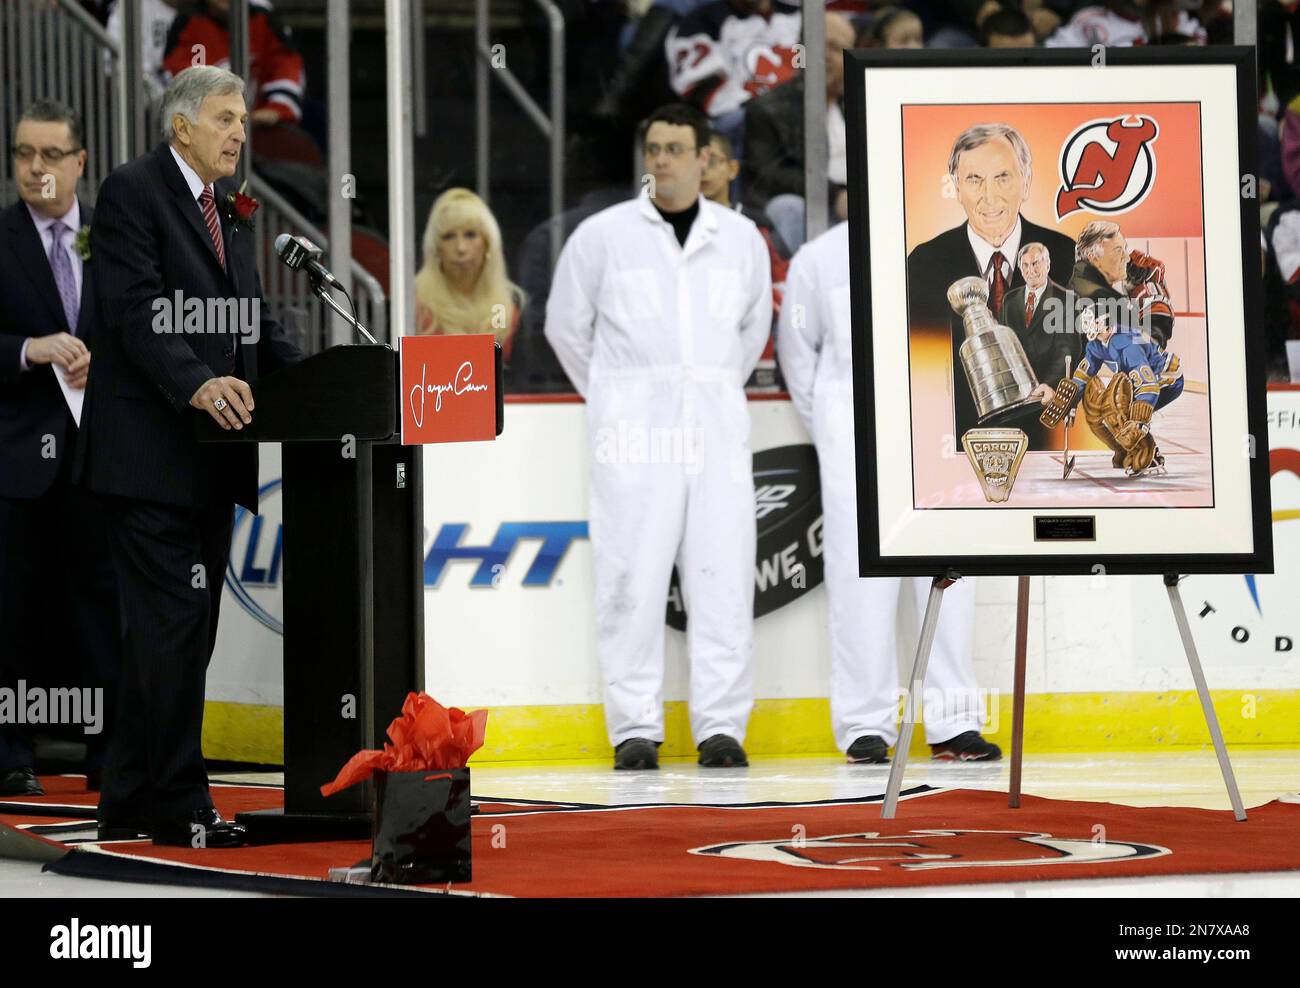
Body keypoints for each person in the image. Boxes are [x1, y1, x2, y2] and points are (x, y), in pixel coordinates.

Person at [78, 65, 304, 847]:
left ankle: (131, 797)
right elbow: (133, 312)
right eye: (226, 118)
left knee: (181, 638)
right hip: (146, 461)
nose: (241, 131)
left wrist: (321, 379)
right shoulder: (132, 192)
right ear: (182, 126)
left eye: (244, 118)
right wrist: (200, 383)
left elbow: (252, 318)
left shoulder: (229, 209)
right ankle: (180, 803)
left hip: (210, 466)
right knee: (173, 632)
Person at [545, 104, 771, 771]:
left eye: (676, 148)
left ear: (705, 158)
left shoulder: (741, 239)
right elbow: (564, 327)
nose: (663, 159)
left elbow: (750, 331)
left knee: (724, 578)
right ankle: (634, 728)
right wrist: (618, 397)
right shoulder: (602, 236)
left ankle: (722, 727)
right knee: (629, 580)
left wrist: (706, 387)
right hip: (632, 436)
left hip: (716, 429)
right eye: (654, 147)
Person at [778, 221, 1000, 764]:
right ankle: (863, 723)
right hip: (852, 427)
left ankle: (953, 721)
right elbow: (798, 354)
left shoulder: (953, 245)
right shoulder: (820, 256)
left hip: (939, 418)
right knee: (860, 580)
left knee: (950, 569)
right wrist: (835, 425)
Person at [0, 101, 121, 797]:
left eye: (50, 155)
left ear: (79, 161)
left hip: (100, 454)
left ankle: (108, 753)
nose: (36, 168)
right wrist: (27, 349)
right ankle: (12, 751)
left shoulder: (114, 239)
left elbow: (142, 326)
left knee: (103, 607)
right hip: (18, 462)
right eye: (23, 155)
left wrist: (99, 357)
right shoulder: (1, 239)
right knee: (14, 610)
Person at [905, 122, 1076, 438]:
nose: (989, 196)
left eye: (1002, 178)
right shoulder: (921, 265)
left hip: (1048, 441)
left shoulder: (1069, 257)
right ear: (957, 188)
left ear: (1025, 183)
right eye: (974, 180)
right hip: (955, 446)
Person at [741, 11, 857, 254]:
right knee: (787, 207)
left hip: (858, 208)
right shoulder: (767, 109)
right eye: (818, 45)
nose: (825, 56)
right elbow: (769, 176)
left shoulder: (860, 104)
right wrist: (835, 196)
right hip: (813, 210)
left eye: (836, 49)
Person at [414, 188, 524, 361]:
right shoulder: (414, 302)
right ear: (435, 248)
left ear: (487, 244)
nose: (461, 248)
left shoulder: (505, 306)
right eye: (448, 237)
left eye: (471, 235)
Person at [163, 0, 305, 125]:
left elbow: (286, 66)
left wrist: (277, 108)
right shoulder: (188, 22)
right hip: (205, 133)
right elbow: (178, 76)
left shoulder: (263, 17)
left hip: (260, 133)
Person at [665, 0, 802, 119]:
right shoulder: (703, 21)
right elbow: (701, 94)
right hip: (741, 117)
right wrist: (761, 104)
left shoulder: (802, 15)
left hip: (800, 109)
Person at [998, 242, 1082, 387]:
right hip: (1015, 388)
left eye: (1035, 263)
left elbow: (1068, 350)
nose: (1030, 270)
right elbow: (1003, 346)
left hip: (1047, 389)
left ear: (1047, 265)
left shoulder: (1067, 300)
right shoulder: (1009, 301)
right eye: (1025, 265)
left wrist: (1047, 385)